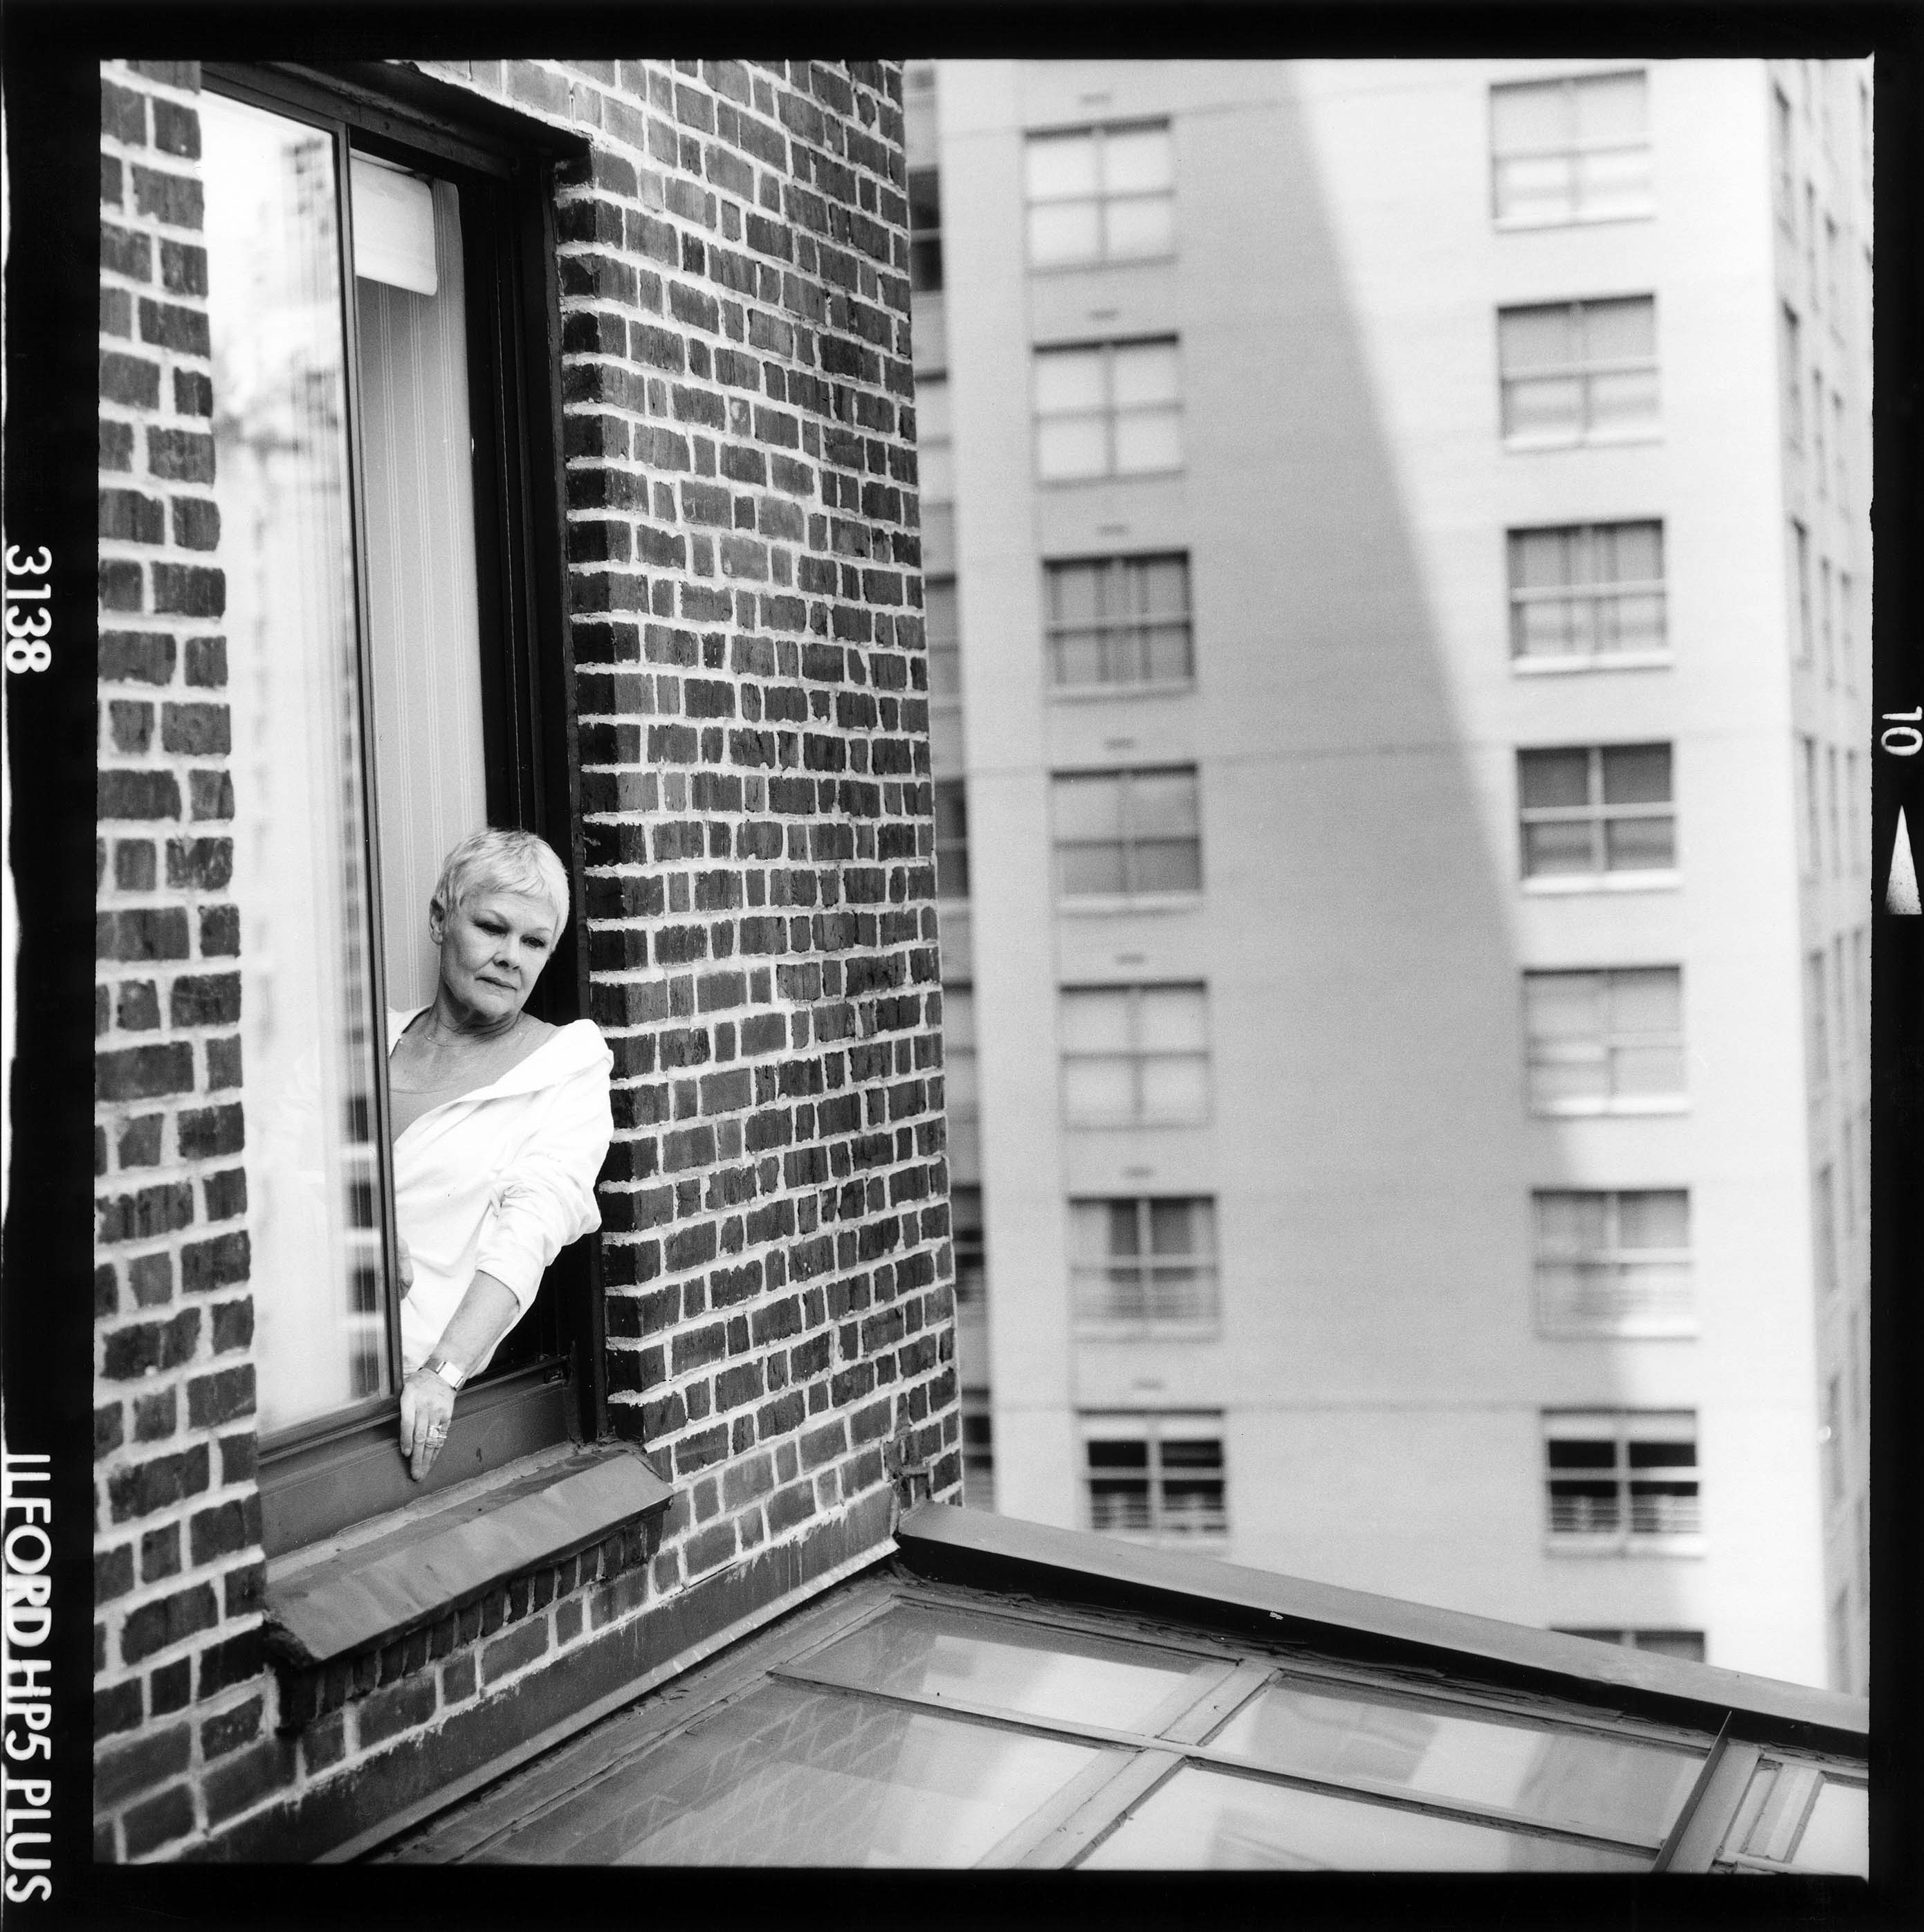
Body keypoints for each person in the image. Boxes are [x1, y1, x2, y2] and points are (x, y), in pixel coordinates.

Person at [387, 827, 612, 1482]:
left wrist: (443, 1373)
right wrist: (362, 1227)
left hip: (410, 1403)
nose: (510, 956)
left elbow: (531, 1228)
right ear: (439, 919)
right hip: (302, 1373)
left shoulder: (565, 1065)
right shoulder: (361, 1044)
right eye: (492, 927)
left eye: (534, 941)